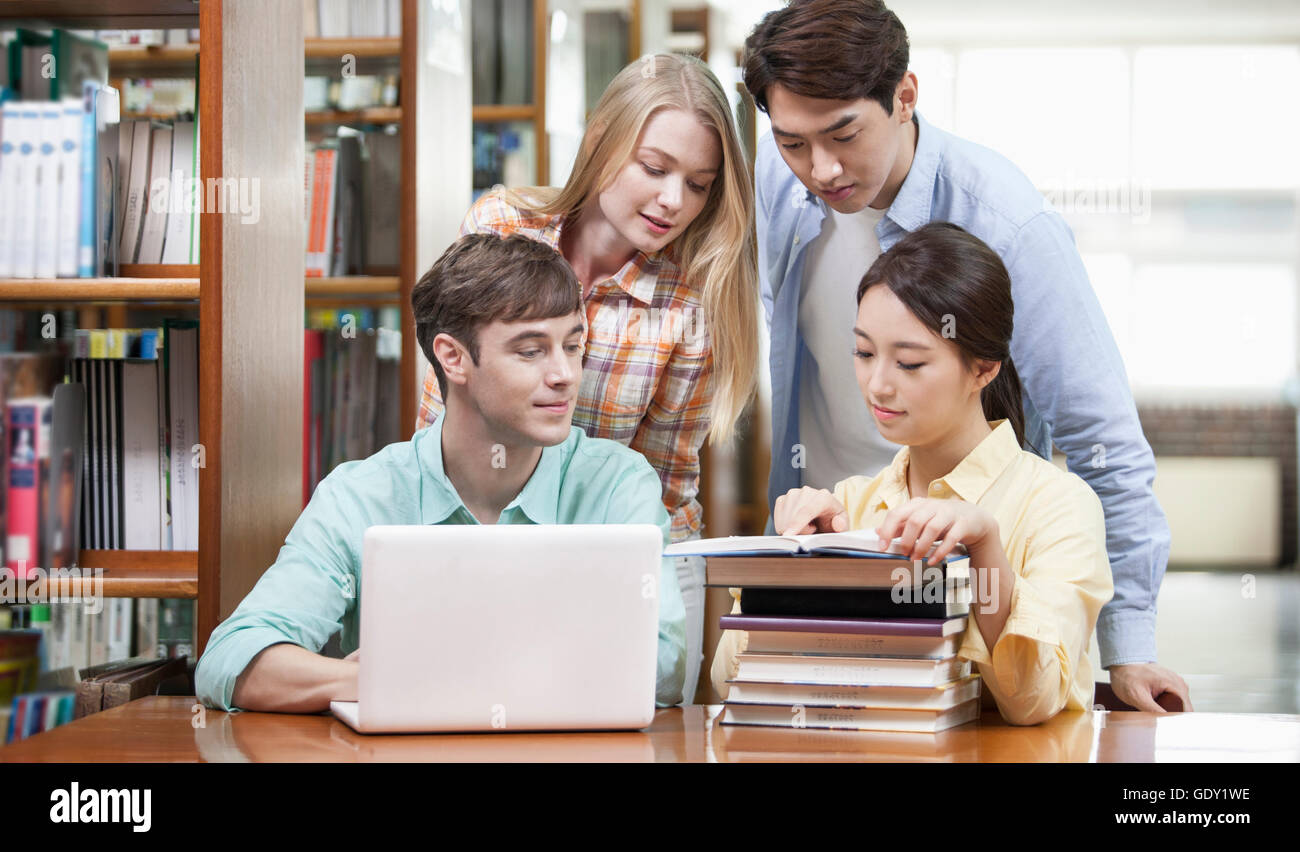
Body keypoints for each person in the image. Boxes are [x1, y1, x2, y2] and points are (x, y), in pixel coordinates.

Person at [743, 0, 1190, 712]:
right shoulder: (778, 176)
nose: (820, 169)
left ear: (906, 95)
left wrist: (1128, 647)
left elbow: (1101, 433)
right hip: (838, 536)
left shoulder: (1006, 222)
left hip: (969, 570)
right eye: (794, 142)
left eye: (845, 135)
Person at [195, 233, 686, 713]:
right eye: (531, 351)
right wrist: (365, 679)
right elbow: (229, 661)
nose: (564, 374)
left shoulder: (618, 487)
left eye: (573, 346)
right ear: (453, 357)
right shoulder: (361, 496)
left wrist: (427, 675)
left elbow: (662, 668)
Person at [414, 53, 760, 704]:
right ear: (601, 141)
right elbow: (441, 417)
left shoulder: (689, 306)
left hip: (615, 560)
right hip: (477, 541)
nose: (672, 200)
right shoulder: (500, 223)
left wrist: (670, 640)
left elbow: (662, 488)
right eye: (655, 168)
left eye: (699, 184)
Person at [712, 224, 1114, 725]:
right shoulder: (849, 508)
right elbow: (728, 677)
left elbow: (1031, 700)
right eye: (863, 354)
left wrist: (987, 546)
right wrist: (794, 572)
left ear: (983, 368)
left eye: (908, 363)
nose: (877, 385)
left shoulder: (1059, 505)